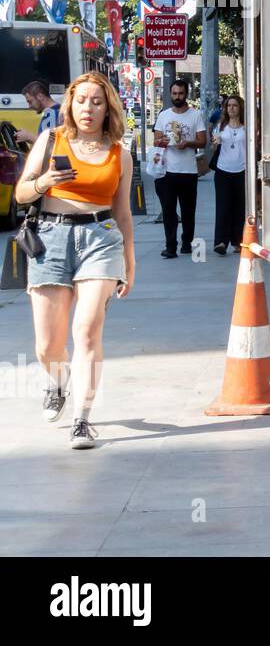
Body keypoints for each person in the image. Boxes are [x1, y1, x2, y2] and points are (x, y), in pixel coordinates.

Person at [15, 72, 135, 449]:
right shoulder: (52, 140)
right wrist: (45, 181)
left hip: (100, 241)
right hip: (50, 237)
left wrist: (130, 263)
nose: (88, 107)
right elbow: (20, 194)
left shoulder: (120, 153)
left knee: (86, 331)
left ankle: (82, 419)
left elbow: (124, 213)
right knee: (48, 345)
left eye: (97, 101)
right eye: (81, 100)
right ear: (70, 104)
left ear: (108, 108)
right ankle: (56, 382)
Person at [152, 79, 206, 258]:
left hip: (188, 172)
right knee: (168, 210)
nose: (177, 97)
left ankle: (187, 243)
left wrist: (188, 143)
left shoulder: (195, 115)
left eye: (181, 93)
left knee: (188, 211)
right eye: (174, 94)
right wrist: (164, 141)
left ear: (186, 94)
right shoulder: (164, 115)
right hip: (166, 172)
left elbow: (202, 141)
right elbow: (156, 140)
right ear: (170, 94)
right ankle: (170, 246)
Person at [210, 94, 246, 256]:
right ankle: (221, 242)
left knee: (239, 207)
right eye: (229, 105)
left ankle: (238, 242)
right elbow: (213, 143)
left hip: (242, 170)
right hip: (223, 170)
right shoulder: (220, 126)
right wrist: (214, 142)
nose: (231, 108)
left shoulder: (247, 127)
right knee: (223, 206)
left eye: (235, 105)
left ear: (240, 108)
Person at [16, 79, 61, 145]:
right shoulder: (57, 111)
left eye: (30, 102)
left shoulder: (52, 113)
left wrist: (29, 136)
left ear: (40, 96)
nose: (29, 106)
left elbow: (50, 144)